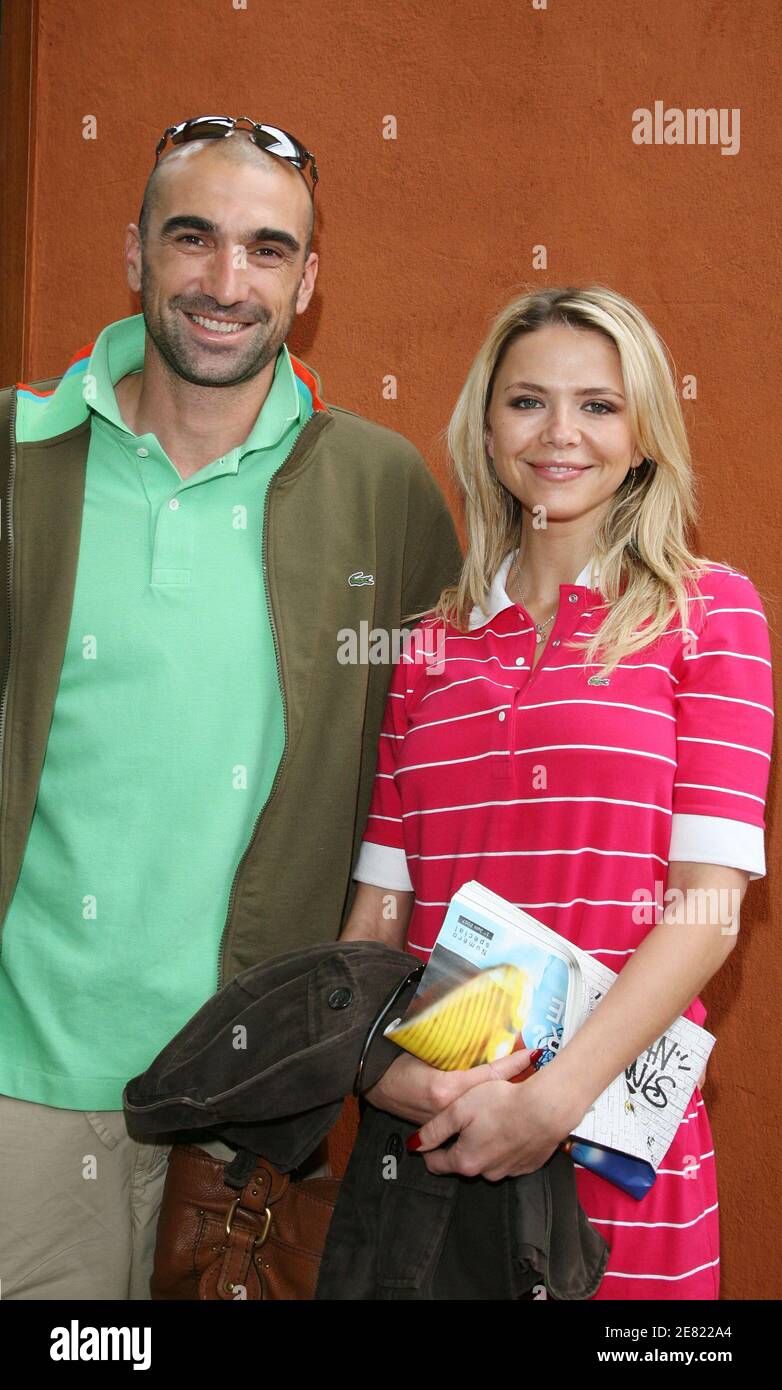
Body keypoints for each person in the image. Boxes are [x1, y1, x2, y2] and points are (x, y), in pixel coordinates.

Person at [0, 116, 462, 1299]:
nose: (223, 282)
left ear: (306, 283)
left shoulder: (380, 490)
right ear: (135, 252)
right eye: (191, 238)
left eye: (265, 250)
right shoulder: (19, 457)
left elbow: (436, 772)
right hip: (22, 1086)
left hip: (253, 1100)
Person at [341, 284, 774, 1300]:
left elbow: (708, 910)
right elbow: (376, 917)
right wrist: (382, 1075)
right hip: (439, 1138)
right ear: (486, 429)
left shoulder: (710, 613)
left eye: (598, 404)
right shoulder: (426, 650)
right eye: (526, 401)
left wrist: (555, 1102)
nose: (559, 434)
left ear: (642, 435)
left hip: (620, 1153)